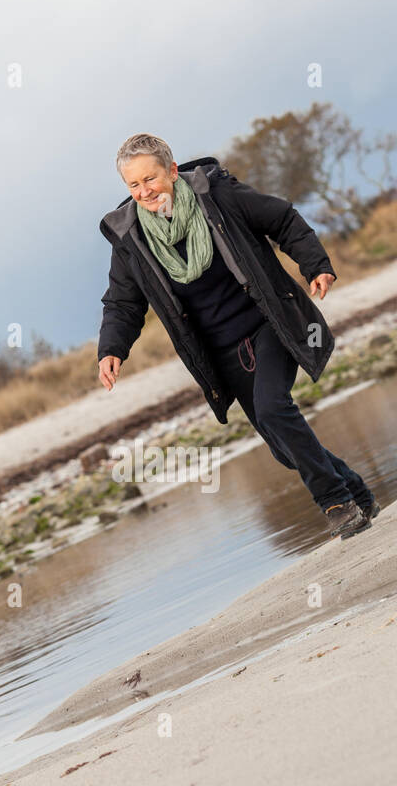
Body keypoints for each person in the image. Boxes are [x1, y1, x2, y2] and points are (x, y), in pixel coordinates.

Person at [97, 133, 380, 539]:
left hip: (269, 325)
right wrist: (112, 349)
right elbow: (123, 302)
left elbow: (281, 218)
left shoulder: (217, 197)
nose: (144, 191)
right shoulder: (132, 239)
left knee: (272, 410)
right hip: (222, 353)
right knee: (282, 447)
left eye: (150, 179)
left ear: (172, 172)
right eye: (133, 184)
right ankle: (354, 488)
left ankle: (336, 502)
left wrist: (315, 264)